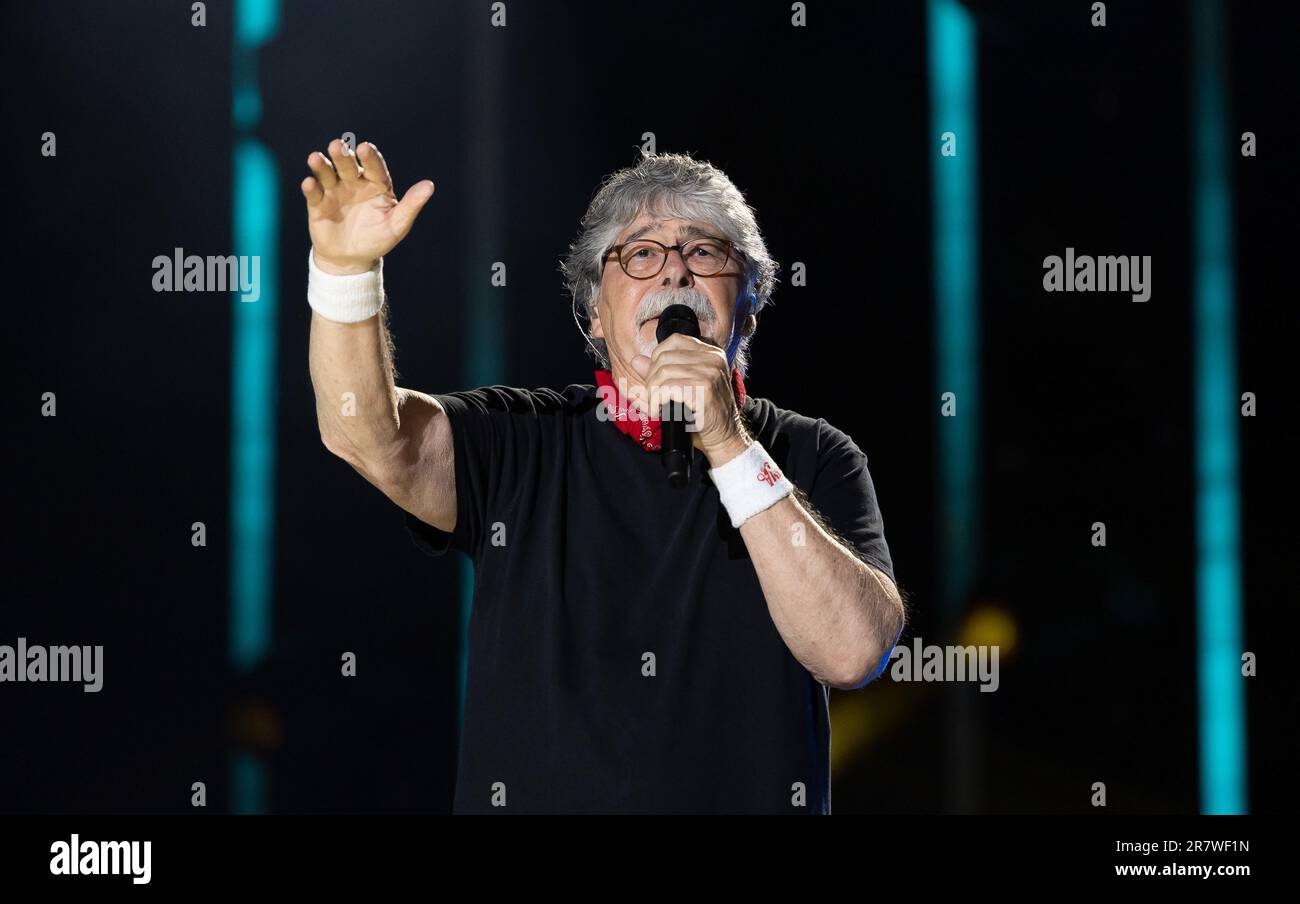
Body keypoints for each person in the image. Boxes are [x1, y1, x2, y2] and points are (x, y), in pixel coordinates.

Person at [302, 138, 906, 814]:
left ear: (750, 306)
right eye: (641, 254)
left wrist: (727, 443)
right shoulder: (521, 446)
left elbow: (853, 652)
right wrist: (344, 273)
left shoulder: (814, 455)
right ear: (594, 311)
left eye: (706, 252)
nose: (675, 273)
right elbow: (366, 435)